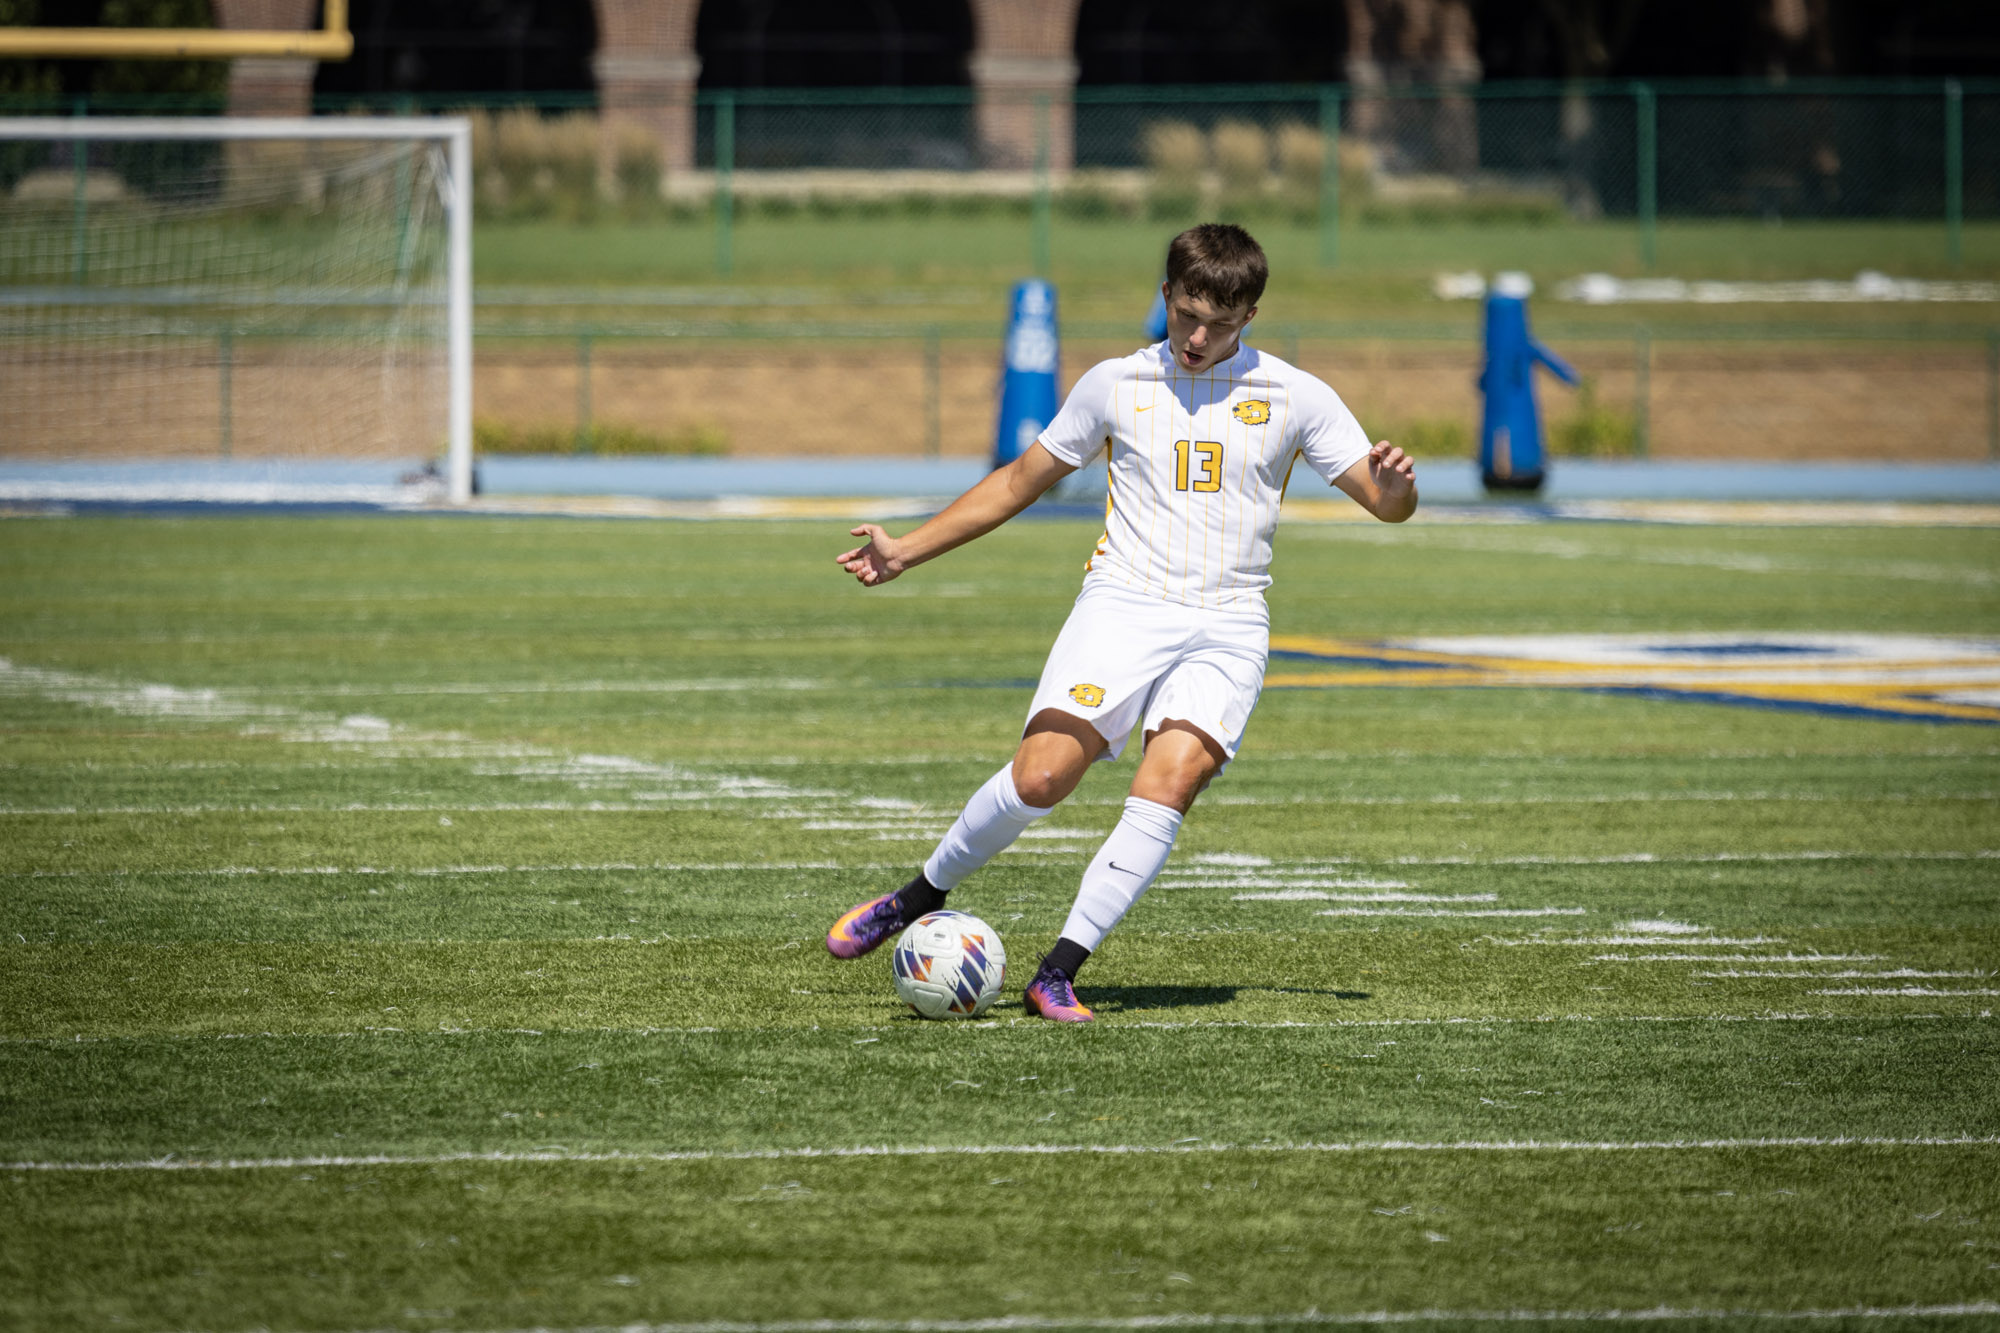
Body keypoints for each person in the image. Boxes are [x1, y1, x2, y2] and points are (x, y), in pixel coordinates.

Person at [825, 223, 1417, 1022]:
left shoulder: (1297, 396)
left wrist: (1396, 487)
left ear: (1252, 316)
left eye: (1220, 323)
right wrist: (906, 552)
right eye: (1185, 315)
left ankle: (1058, 971)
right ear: (1166, 295)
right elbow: (1015, 482)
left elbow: (1386, 507)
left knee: (1168, 781)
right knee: (1041, 776)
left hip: (1228, 621)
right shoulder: (1115, 384)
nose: (1198, 337)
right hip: (1124, 603)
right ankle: (916, 895)